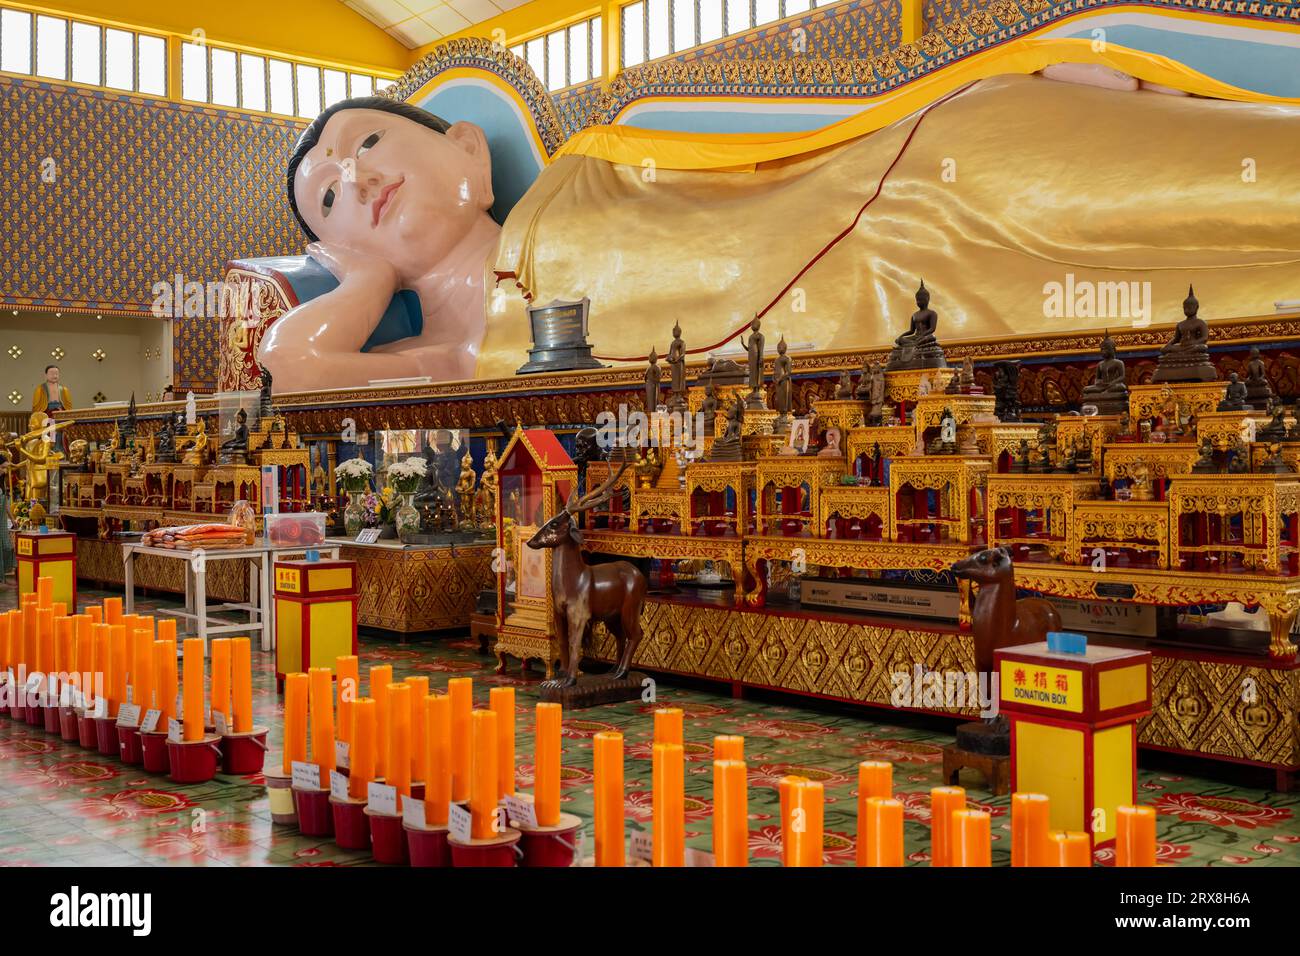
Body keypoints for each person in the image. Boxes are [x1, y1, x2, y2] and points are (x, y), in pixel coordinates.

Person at [258, 97, 500, 391]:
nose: (355, 180)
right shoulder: (427, 363)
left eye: (368, 143)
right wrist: (368, 280)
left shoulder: (558, 226)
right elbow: (289, 365)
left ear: (467, 146)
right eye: (329, 196)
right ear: (339, 249)